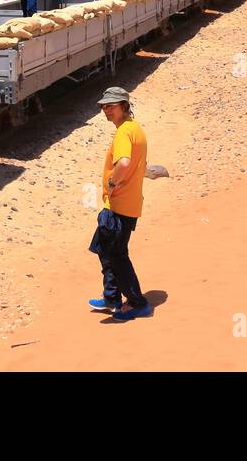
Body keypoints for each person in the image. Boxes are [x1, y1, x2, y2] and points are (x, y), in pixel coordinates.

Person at [88, 86, 152, 320]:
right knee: (105, 251)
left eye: (111, 106)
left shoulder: (124, 132)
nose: (106, 110)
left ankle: (138, 303)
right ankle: (111, 297)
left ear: (124, 106)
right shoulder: (136, 130)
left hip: (118, 206)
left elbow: (124, 163)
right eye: (104, 106)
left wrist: (112, 184)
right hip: (127, 205)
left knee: (116, 256)